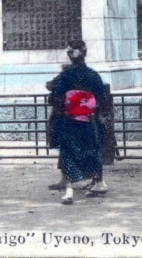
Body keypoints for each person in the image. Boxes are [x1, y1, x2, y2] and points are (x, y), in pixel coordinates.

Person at [49, 39, 109, 204]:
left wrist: (64, 108)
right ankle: (99, 182)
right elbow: (102, 99)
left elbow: (54, 97)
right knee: (92, 150)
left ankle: (69, 191)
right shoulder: (92, 75)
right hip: (88, 120)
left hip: (69, 120)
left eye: (70, 51)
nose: (68, 54)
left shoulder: (66, 74)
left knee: (68, 152)